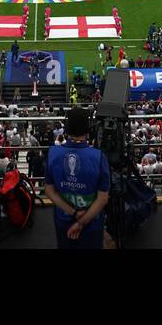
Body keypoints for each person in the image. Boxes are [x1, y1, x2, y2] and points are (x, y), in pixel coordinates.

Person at [44, 107, 111, 249]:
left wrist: (73, 212)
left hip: (63, 220)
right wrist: (81, 222)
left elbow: (50, 191)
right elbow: (103, 198)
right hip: (91, 222)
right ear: (88, 130)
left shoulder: (53, 153)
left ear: (67, 129)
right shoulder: (99, 157)